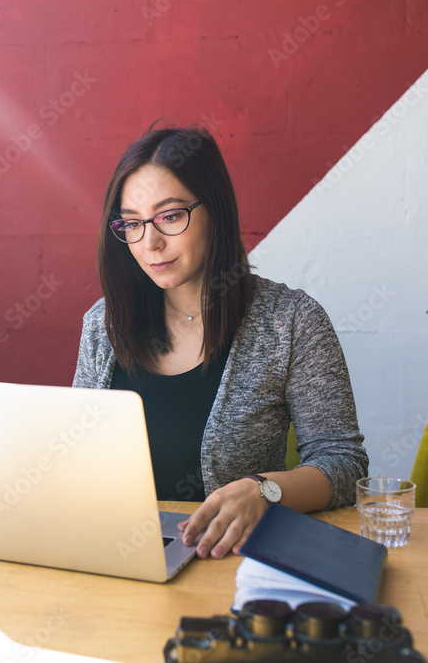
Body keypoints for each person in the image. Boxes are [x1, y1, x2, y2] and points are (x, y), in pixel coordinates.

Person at [72, 126, 368, 560]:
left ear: (215, 211)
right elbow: (76, 457)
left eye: (170, 216)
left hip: (228, 563)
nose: (150, 243)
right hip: (114, 557)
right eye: (132, 223)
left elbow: (342, 463)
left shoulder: (290, 321)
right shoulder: (104, 324)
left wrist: (264, 491)